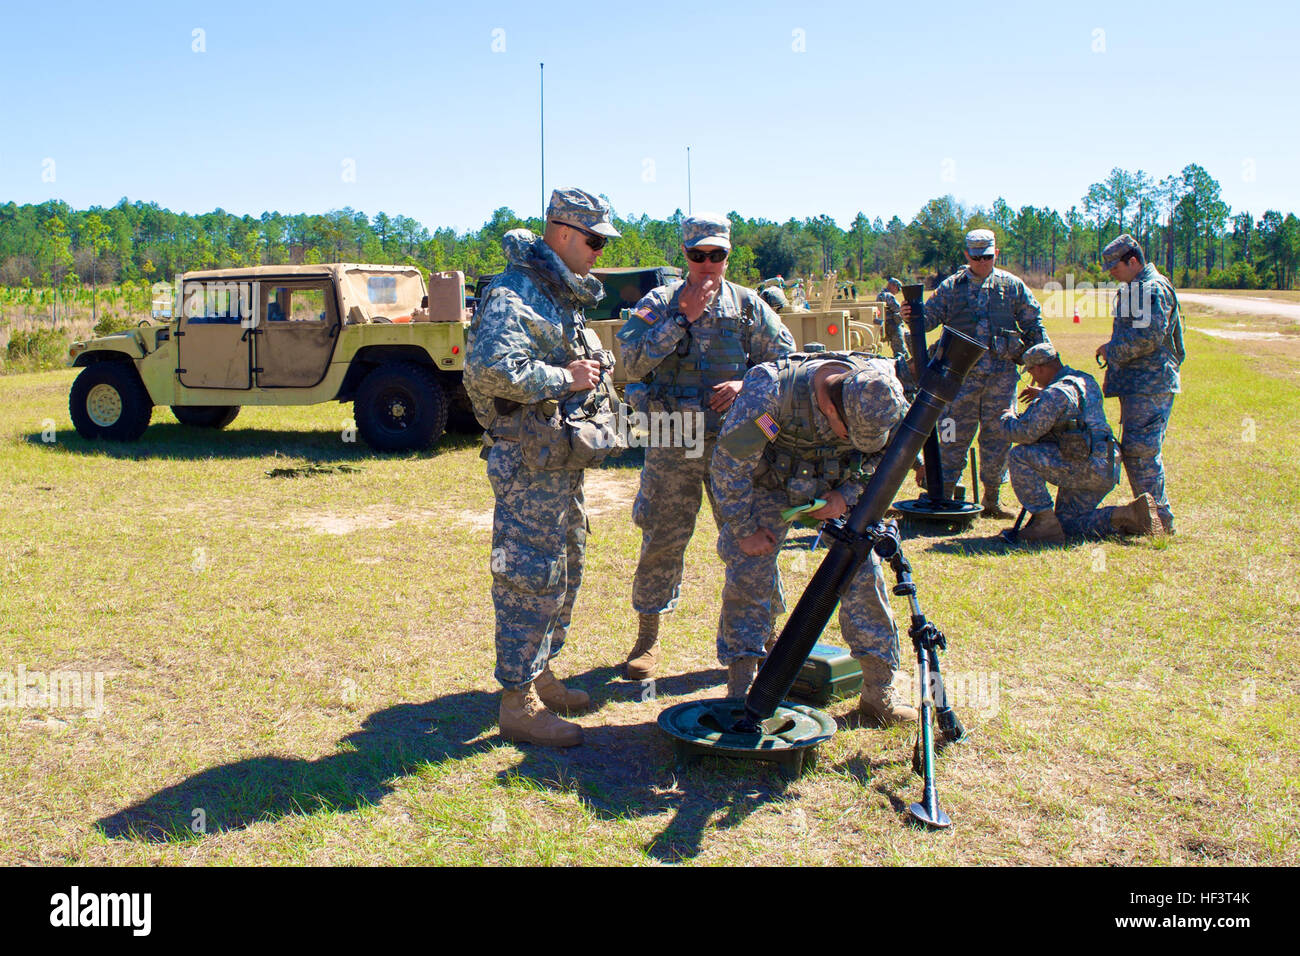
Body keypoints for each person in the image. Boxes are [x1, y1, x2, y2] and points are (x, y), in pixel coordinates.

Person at [464, 186, 620, 748]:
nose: (599, 251)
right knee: (528, 574)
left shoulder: (559, 295)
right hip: (526, 460)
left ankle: (541, 669)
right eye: (594, 238)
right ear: (561, 232)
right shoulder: (517, 292)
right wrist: (566, 379)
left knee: (566, 560)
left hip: (556, 457)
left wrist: (589, 366)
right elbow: (490, 371)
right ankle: (517, 702)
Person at [616, 213, 796, 681]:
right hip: (674, 438)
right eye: (698, 255)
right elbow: (631, 363)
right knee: (663, 534)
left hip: (734, 443)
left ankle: (765, 634)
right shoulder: (659, 303)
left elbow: (788, 363)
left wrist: (746, 383)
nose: (707, 264)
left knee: (749, 537)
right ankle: (647, 639)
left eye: (717, 255)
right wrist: (681, 318)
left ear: (727, 255)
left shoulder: (748, 305)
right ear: (685, 256)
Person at [710, 350, 917, 723]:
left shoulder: (883, 391)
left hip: (839, 485)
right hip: (772, 484)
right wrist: (744, 532)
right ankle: (743, 683)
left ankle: (878, 690)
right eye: (852, 434)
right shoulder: (771, 394)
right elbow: (730, 464)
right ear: (831, 410)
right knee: (748, 566)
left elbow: (890, 461)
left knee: (861, 568)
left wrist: (848, 495)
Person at [901, 229, 1048, 515]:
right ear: (967, 255)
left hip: (1001, 378)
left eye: (988, 257)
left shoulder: (1012, 286)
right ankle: (942, 497)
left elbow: (1034, 326)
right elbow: (928, 320)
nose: (983, 262)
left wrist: (1041, 363)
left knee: (998, 439)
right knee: (951, 437)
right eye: (977, 257)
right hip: (958, 381)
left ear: (996, 254)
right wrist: (911, 315)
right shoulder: (951, 287)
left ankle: (992, 501)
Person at [999, 344, 1160, 543]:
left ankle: (1044, 522)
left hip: (1086, 463)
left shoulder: (1054, 394)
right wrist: (1043, 393)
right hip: (1108, 460)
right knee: (1067, 523)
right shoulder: (1085, 380)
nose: (1033, 379)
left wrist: (1006, 416)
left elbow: (1024, 433)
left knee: (1020, 455)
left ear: (1039, 368)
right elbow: (1073, 406)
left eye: (1031, 372)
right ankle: (1127, 515)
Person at [1096, 233, 1184, 534]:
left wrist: (1112, 349)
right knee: (1136, 452)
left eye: (1114, 266)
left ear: (1133, 260)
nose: (1111, 273)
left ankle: (1160, 523)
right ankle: (1150, 519)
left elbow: (1150, 335)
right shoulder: (1137, 287)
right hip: (1139, 383)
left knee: (1143, 453)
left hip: (1150, 383)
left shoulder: (1150, 288)